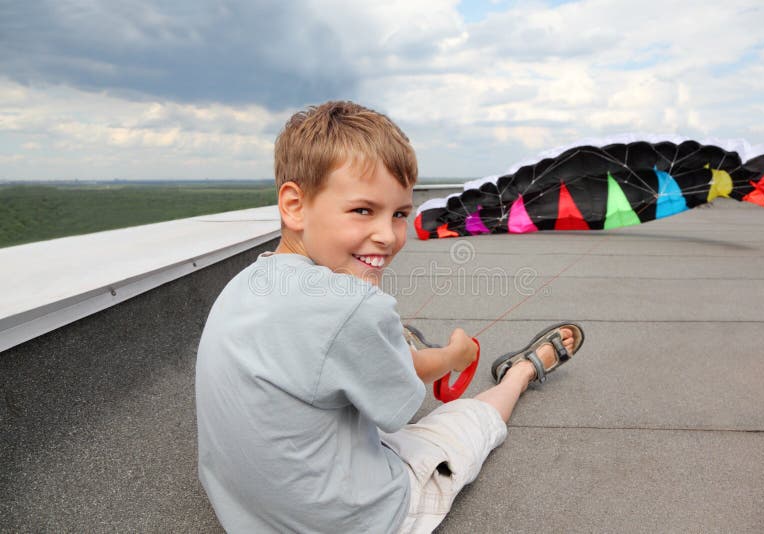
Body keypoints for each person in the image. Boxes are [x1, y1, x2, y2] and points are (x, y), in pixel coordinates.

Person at [195, 101, 584, 533]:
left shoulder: (245, 284)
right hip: (357, 521)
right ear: (295, 205)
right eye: (363, 210)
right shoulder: (353, 306)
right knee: (464, 425)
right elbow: (406, 399)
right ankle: (521, 372)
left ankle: (389, 343)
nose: (387, 235)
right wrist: (453, 356)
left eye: (399, 214)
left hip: (250, 517)